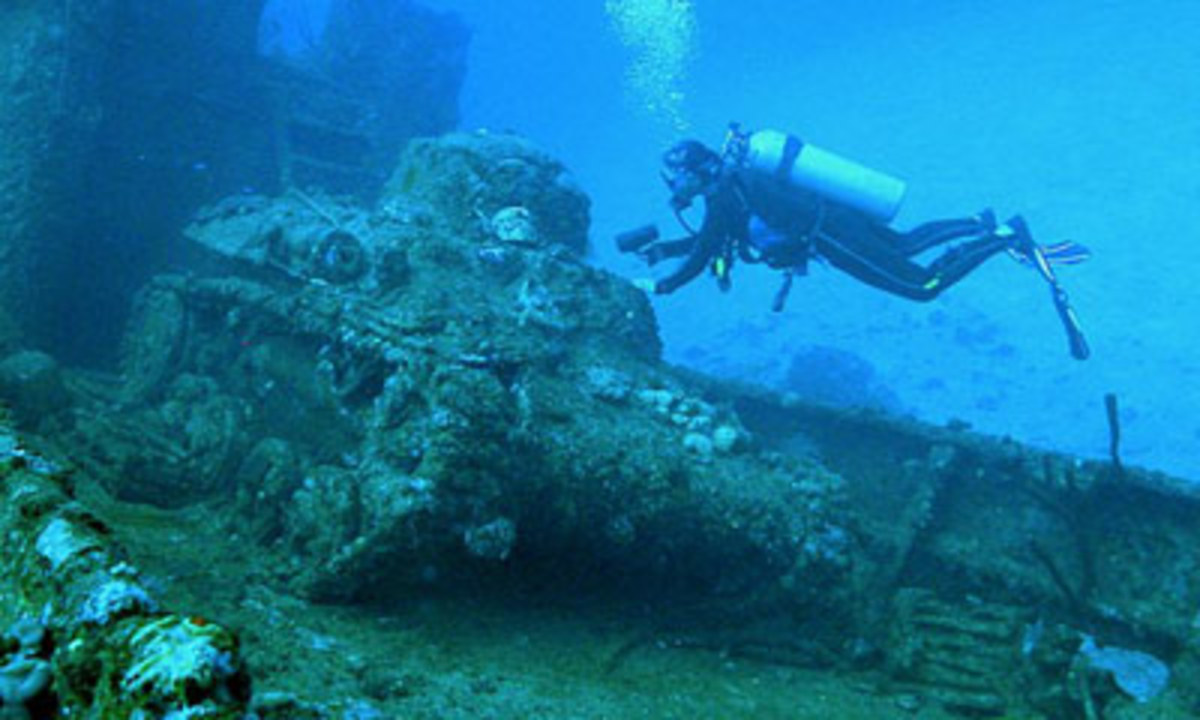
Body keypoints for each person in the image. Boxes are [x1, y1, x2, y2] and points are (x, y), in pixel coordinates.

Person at [618, 123, 1092, 360]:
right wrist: (664, 252)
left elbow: (705, 252)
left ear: (696, 172)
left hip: (829, 237)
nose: (675, 192)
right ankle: (976, 223)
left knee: (922, 287)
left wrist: (662, 286)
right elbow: (711, 240)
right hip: (839, 217)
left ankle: (1002, 234)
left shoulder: (725, 195)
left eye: (677, 181)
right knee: (905, 244)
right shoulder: (734, 184)